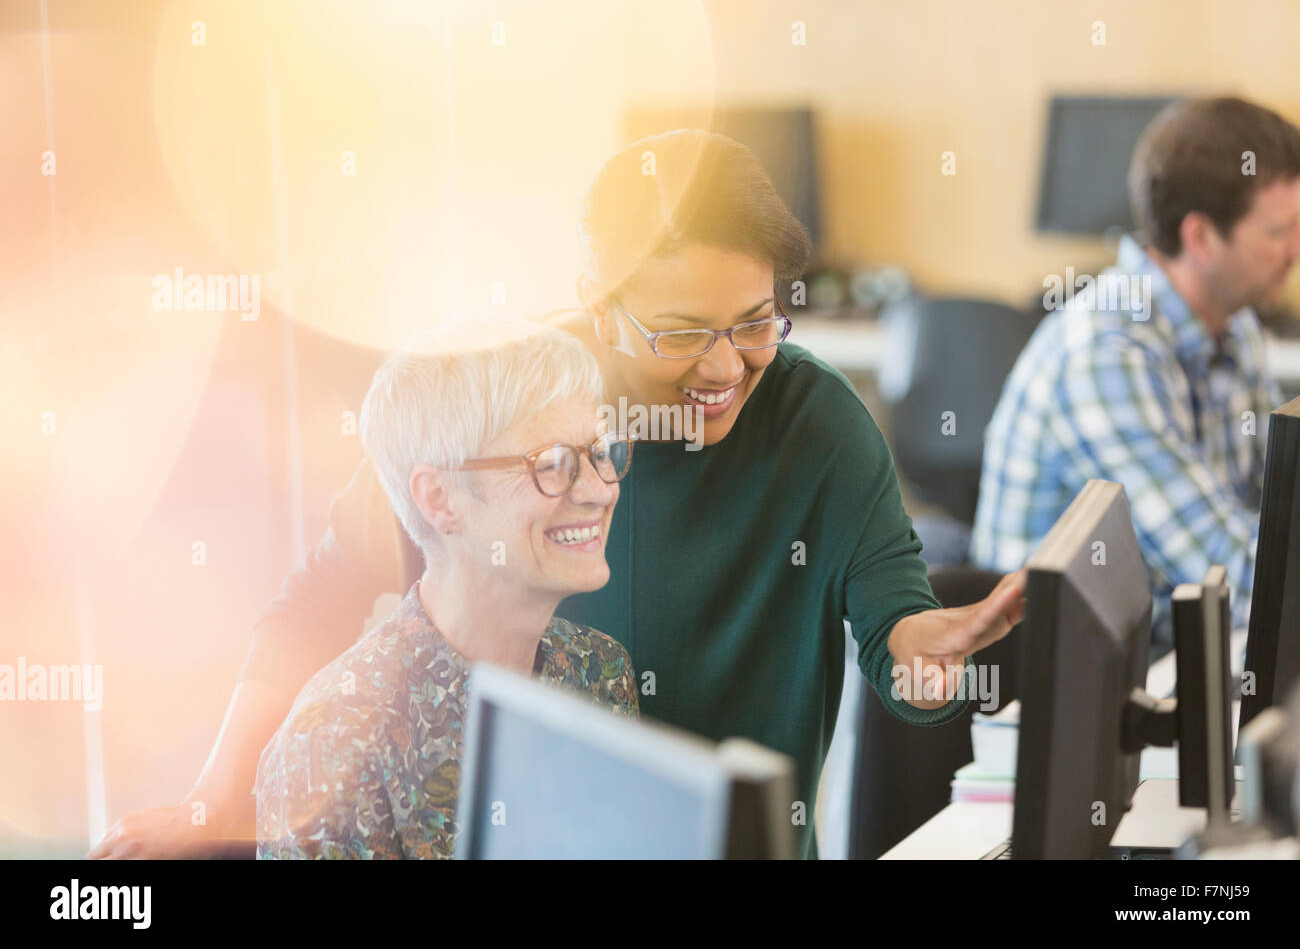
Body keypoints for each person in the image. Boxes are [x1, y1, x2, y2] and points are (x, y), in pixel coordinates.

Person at [90, 130, 1025, 861]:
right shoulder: (499, 402)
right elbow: (320, 599)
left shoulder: (812, 419)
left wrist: (928, 663)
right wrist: (217, 798)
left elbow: (900, 645)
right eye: (679, 334)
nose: (724, 367)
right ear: (595, 298)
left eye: (754, 322)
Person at [256, 316, 638, 858]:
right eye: (554, 465)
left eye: (601, 454)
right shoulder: (332, 743)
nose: (601, 491)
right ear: (439, 499)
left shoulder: (602, 674)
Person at [973, 97, 1300, 637]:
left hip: (1170, 652)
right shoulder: (1106, 353)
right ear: (1200, 238)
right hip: (1059, 686)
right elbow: (1237, 579)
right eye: (1277, 232)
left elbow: (1276, 511)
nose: (1294, 250)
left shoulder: (1234, 326)